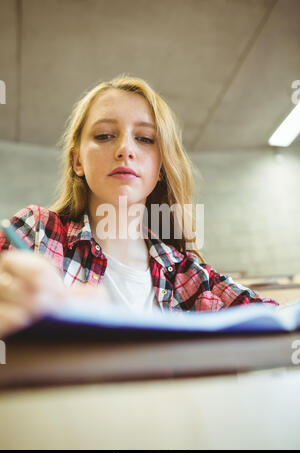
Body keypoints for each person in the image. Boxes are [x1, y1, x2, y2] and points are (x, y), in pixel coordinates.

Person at [0, 75, 278, 338]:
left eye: (144, 139)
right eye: (105, 135)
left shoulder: (184, 272)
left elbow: (276, 321)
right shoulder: (36, 229)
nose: (125, 150)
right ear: (77, 161)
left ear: (160, 169)